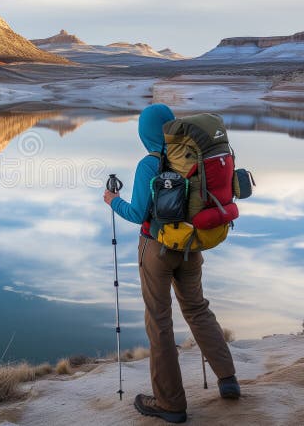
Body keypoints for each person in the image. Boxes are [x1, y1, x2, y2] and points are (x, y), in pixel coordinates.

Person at [103, 104, 240, 424]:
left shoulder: (150, 163)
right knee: (197, 308)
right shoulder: (192, 156)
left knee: (159, 322)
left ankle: (170, 403)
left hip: (158, 250)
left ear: (145, 132)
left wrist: (112, 201)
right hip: (192, 246)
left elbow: (137, 213)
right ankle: (228, 379)